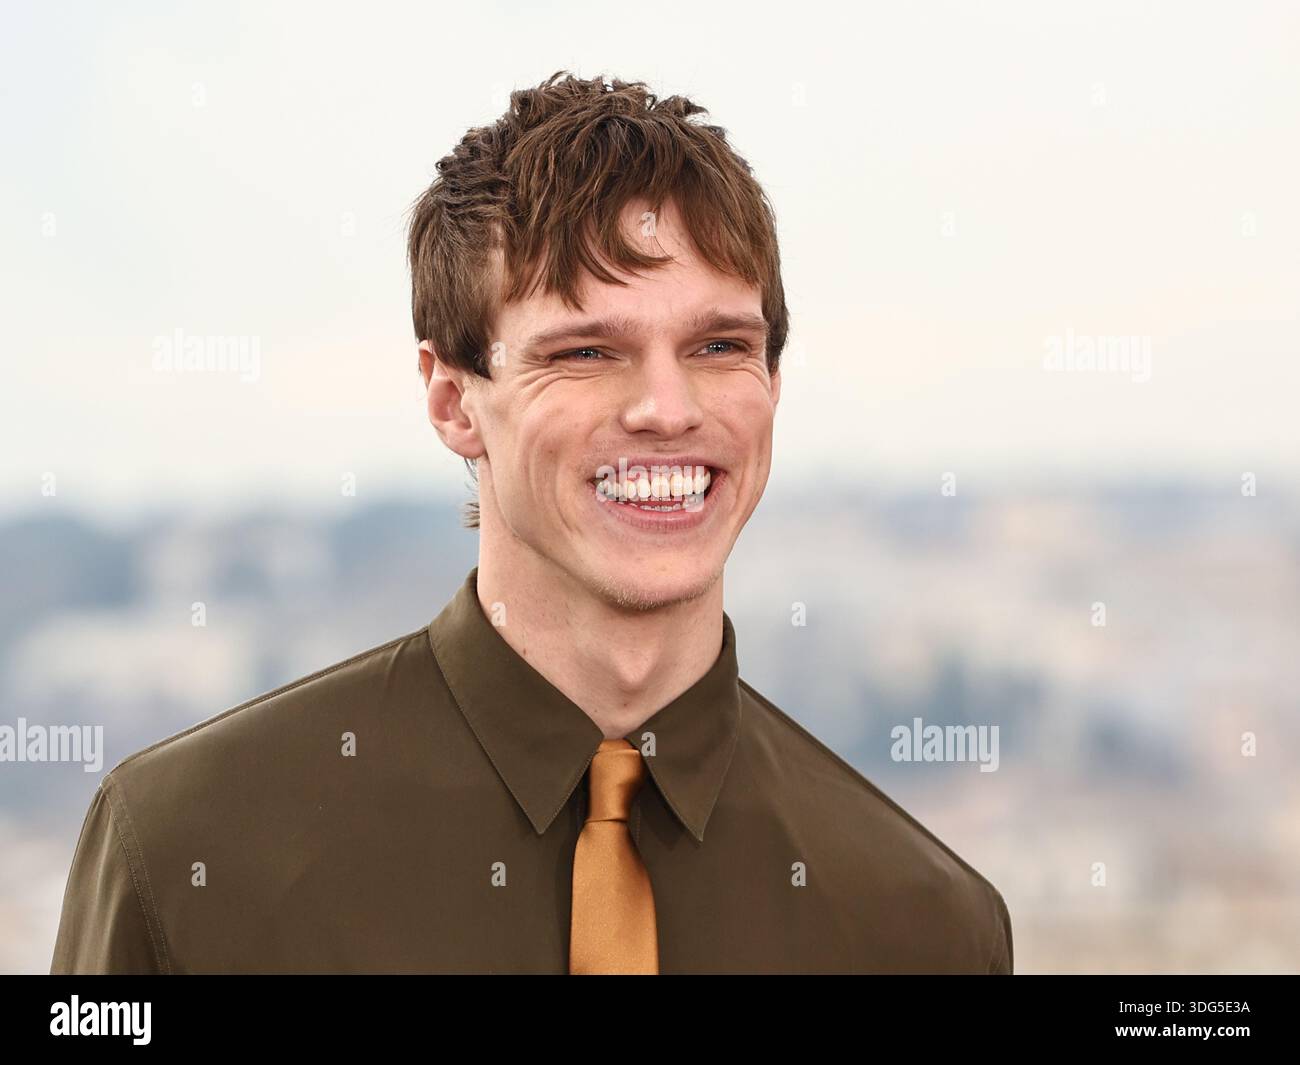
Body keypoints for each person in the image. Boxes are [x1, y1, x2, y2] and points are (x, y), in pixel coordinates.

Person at [50, 70, 1011, 974]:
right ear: (454, 400)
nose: (667, 409)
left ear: (771, 383)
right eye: (587, 350)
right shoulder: (185, 853)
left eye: (720, 344)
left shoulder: (927, 921)